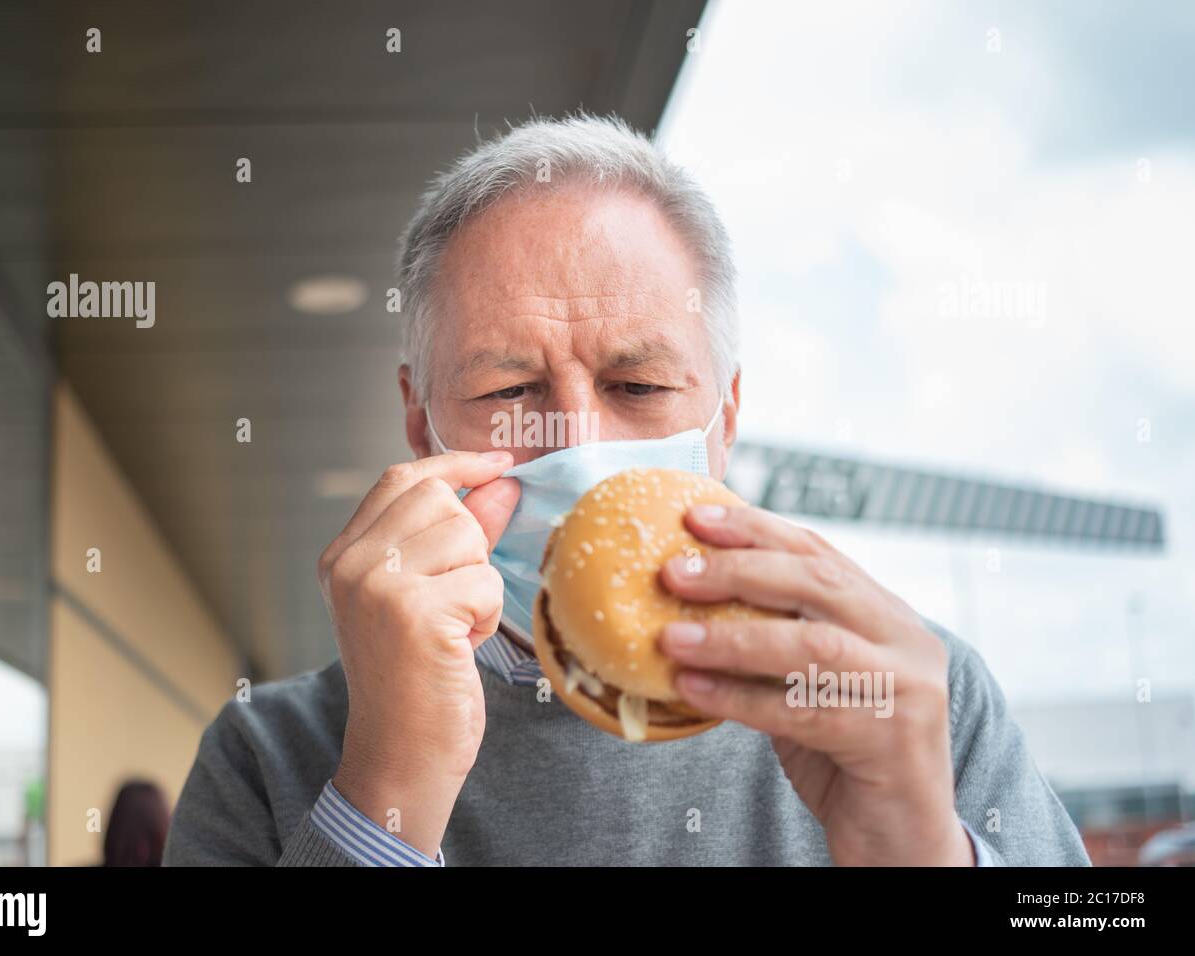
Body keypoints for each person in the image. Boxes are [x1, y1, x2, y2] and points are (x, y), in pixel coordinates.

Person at [164, 114, 1089, 866]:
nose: (577, 440)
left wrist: (922, 853)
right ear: (421, 426)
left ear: (723, 420)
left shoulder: (918, 699)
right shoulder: (270, 754)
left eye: (639, 387)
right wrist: (386, 794)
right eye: (507, 392)